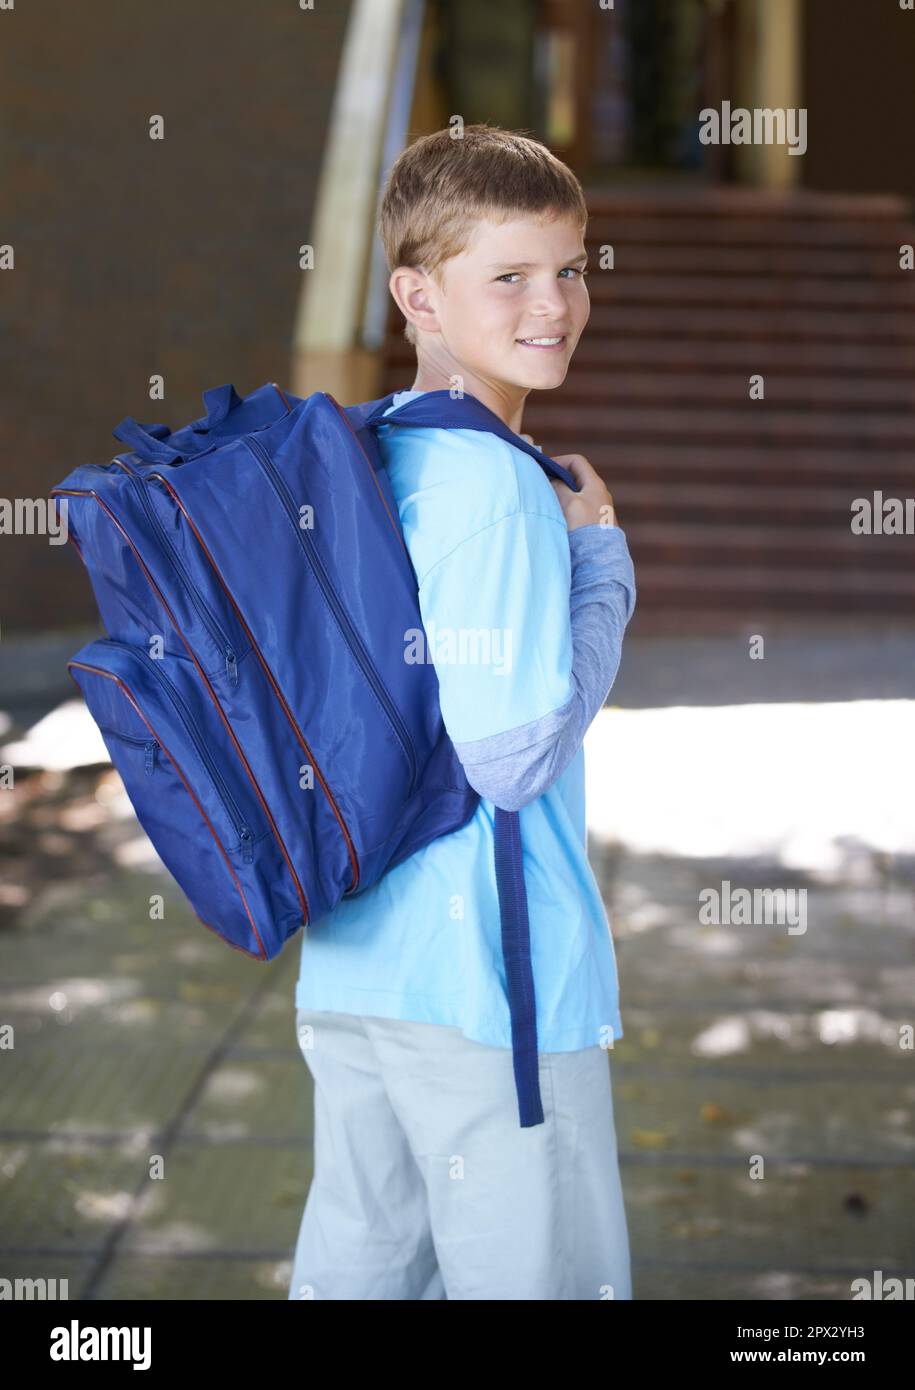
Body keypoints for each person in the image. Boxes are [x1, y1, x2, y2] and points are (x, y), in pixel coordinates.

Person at [288, 124, 636, 1301]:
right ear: (416, 293)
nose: (556, 304)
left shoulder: (373, 448)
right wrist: (604, 572)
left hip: (359, 964)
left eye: (572, 267)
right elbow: (511, 754)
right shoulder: (497, 485)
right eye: (511, 275)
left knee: (360, 1267)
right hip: (492, 989)